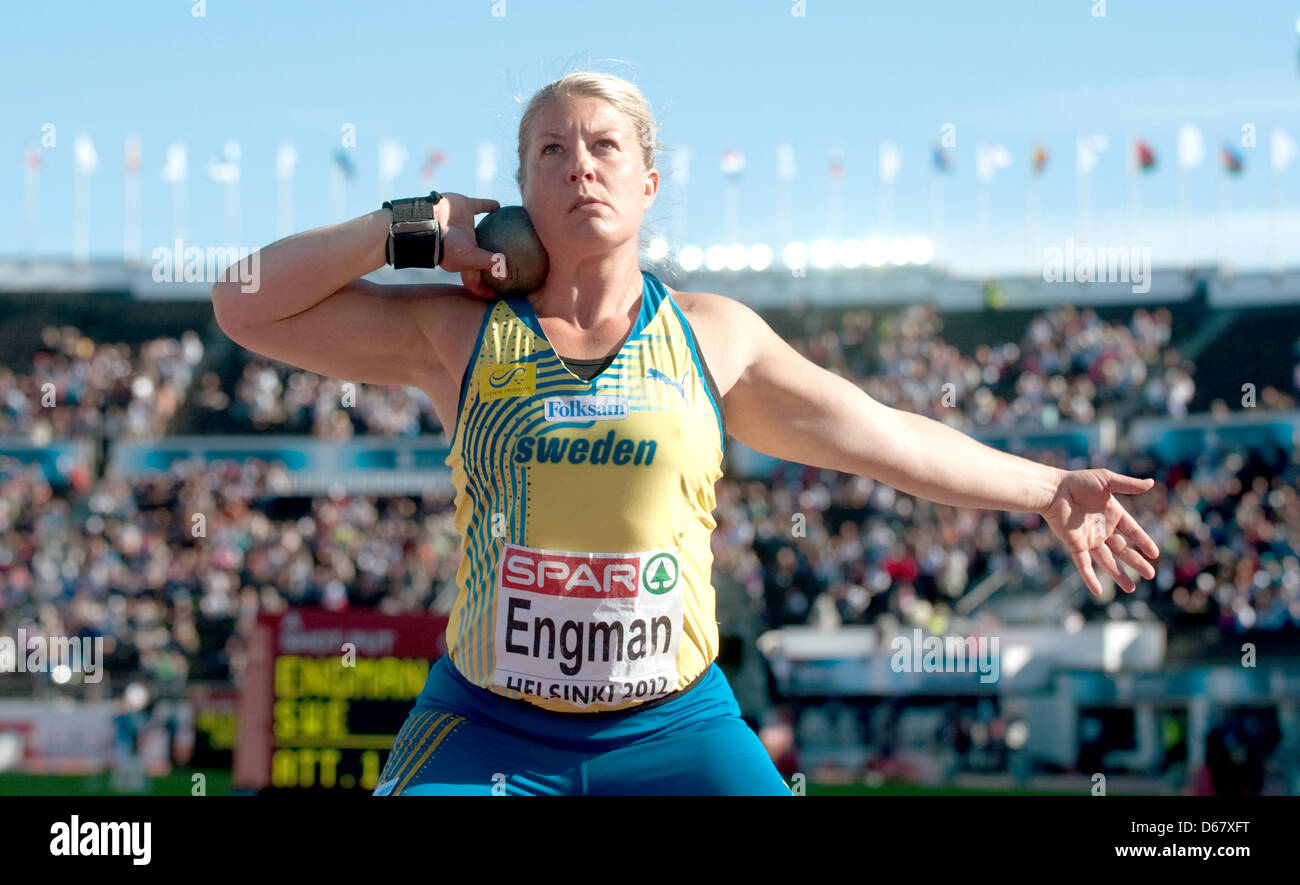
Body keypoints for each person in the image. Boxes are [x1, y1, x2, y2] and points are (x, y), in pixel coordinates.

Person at [211, 71, 1161, 796]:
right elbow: (243, 303)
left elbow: (884, 435)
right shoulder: (456, 334)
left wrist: (1045, 487)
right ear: (514, 193)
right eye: (550, 150)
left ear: (650, 180)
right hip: (489, 727)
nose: (579, 163)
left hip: (675, 734)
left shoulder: (713, 337)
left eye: (604, 146)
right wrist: (409, 226)